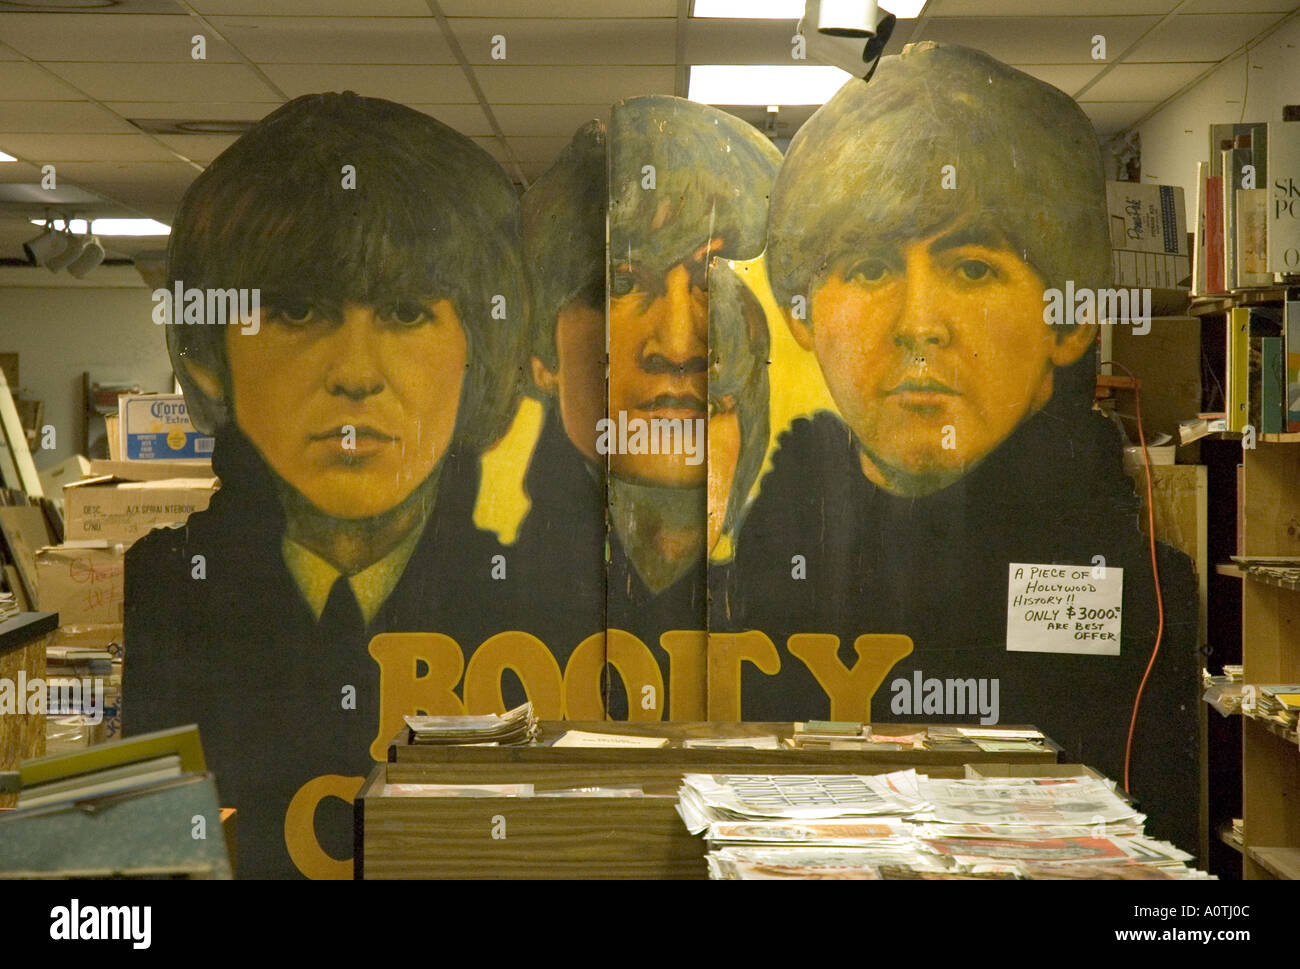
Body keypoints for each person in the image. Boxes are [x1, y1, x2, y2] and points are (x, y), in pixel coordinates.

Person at [728, 43, 1200, 852]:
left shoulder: (1144, 600)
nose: (919, 323)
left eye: (973, 269)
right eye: (871, 267)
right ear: (804, 315)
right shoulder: (746, 579)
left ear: (1068, 318)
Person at [124, 92, 527, 878]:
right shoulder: (170, 590)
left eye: (407, 313)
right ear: (211, 355)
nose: (354, 376)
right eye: (301, 310)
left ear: (479, 350)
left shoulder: (538, 597)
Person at [513, 98, 780, 718]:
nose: (679, 348)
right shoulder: (484, 591)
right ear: (541, 355)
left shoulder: (808, 589)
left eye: (709, 273)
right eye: (623, 283)